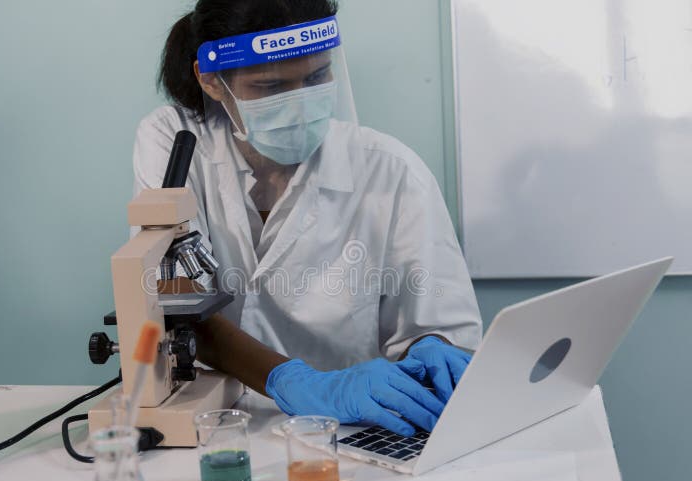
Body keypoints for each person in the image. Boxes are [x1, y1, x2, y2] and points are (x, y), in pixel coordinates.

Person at [132, 0, 482, 436]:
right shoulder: (178, 141)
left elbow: (439, 326)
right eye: (272, 86)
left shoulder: (392, 171)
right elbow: (176, 305)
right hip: (220, 425)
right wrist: (294, 381)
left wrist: (434, 346)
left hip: (356, 427)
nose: (300, 105)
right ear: (212, 80)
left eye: (317, 78)